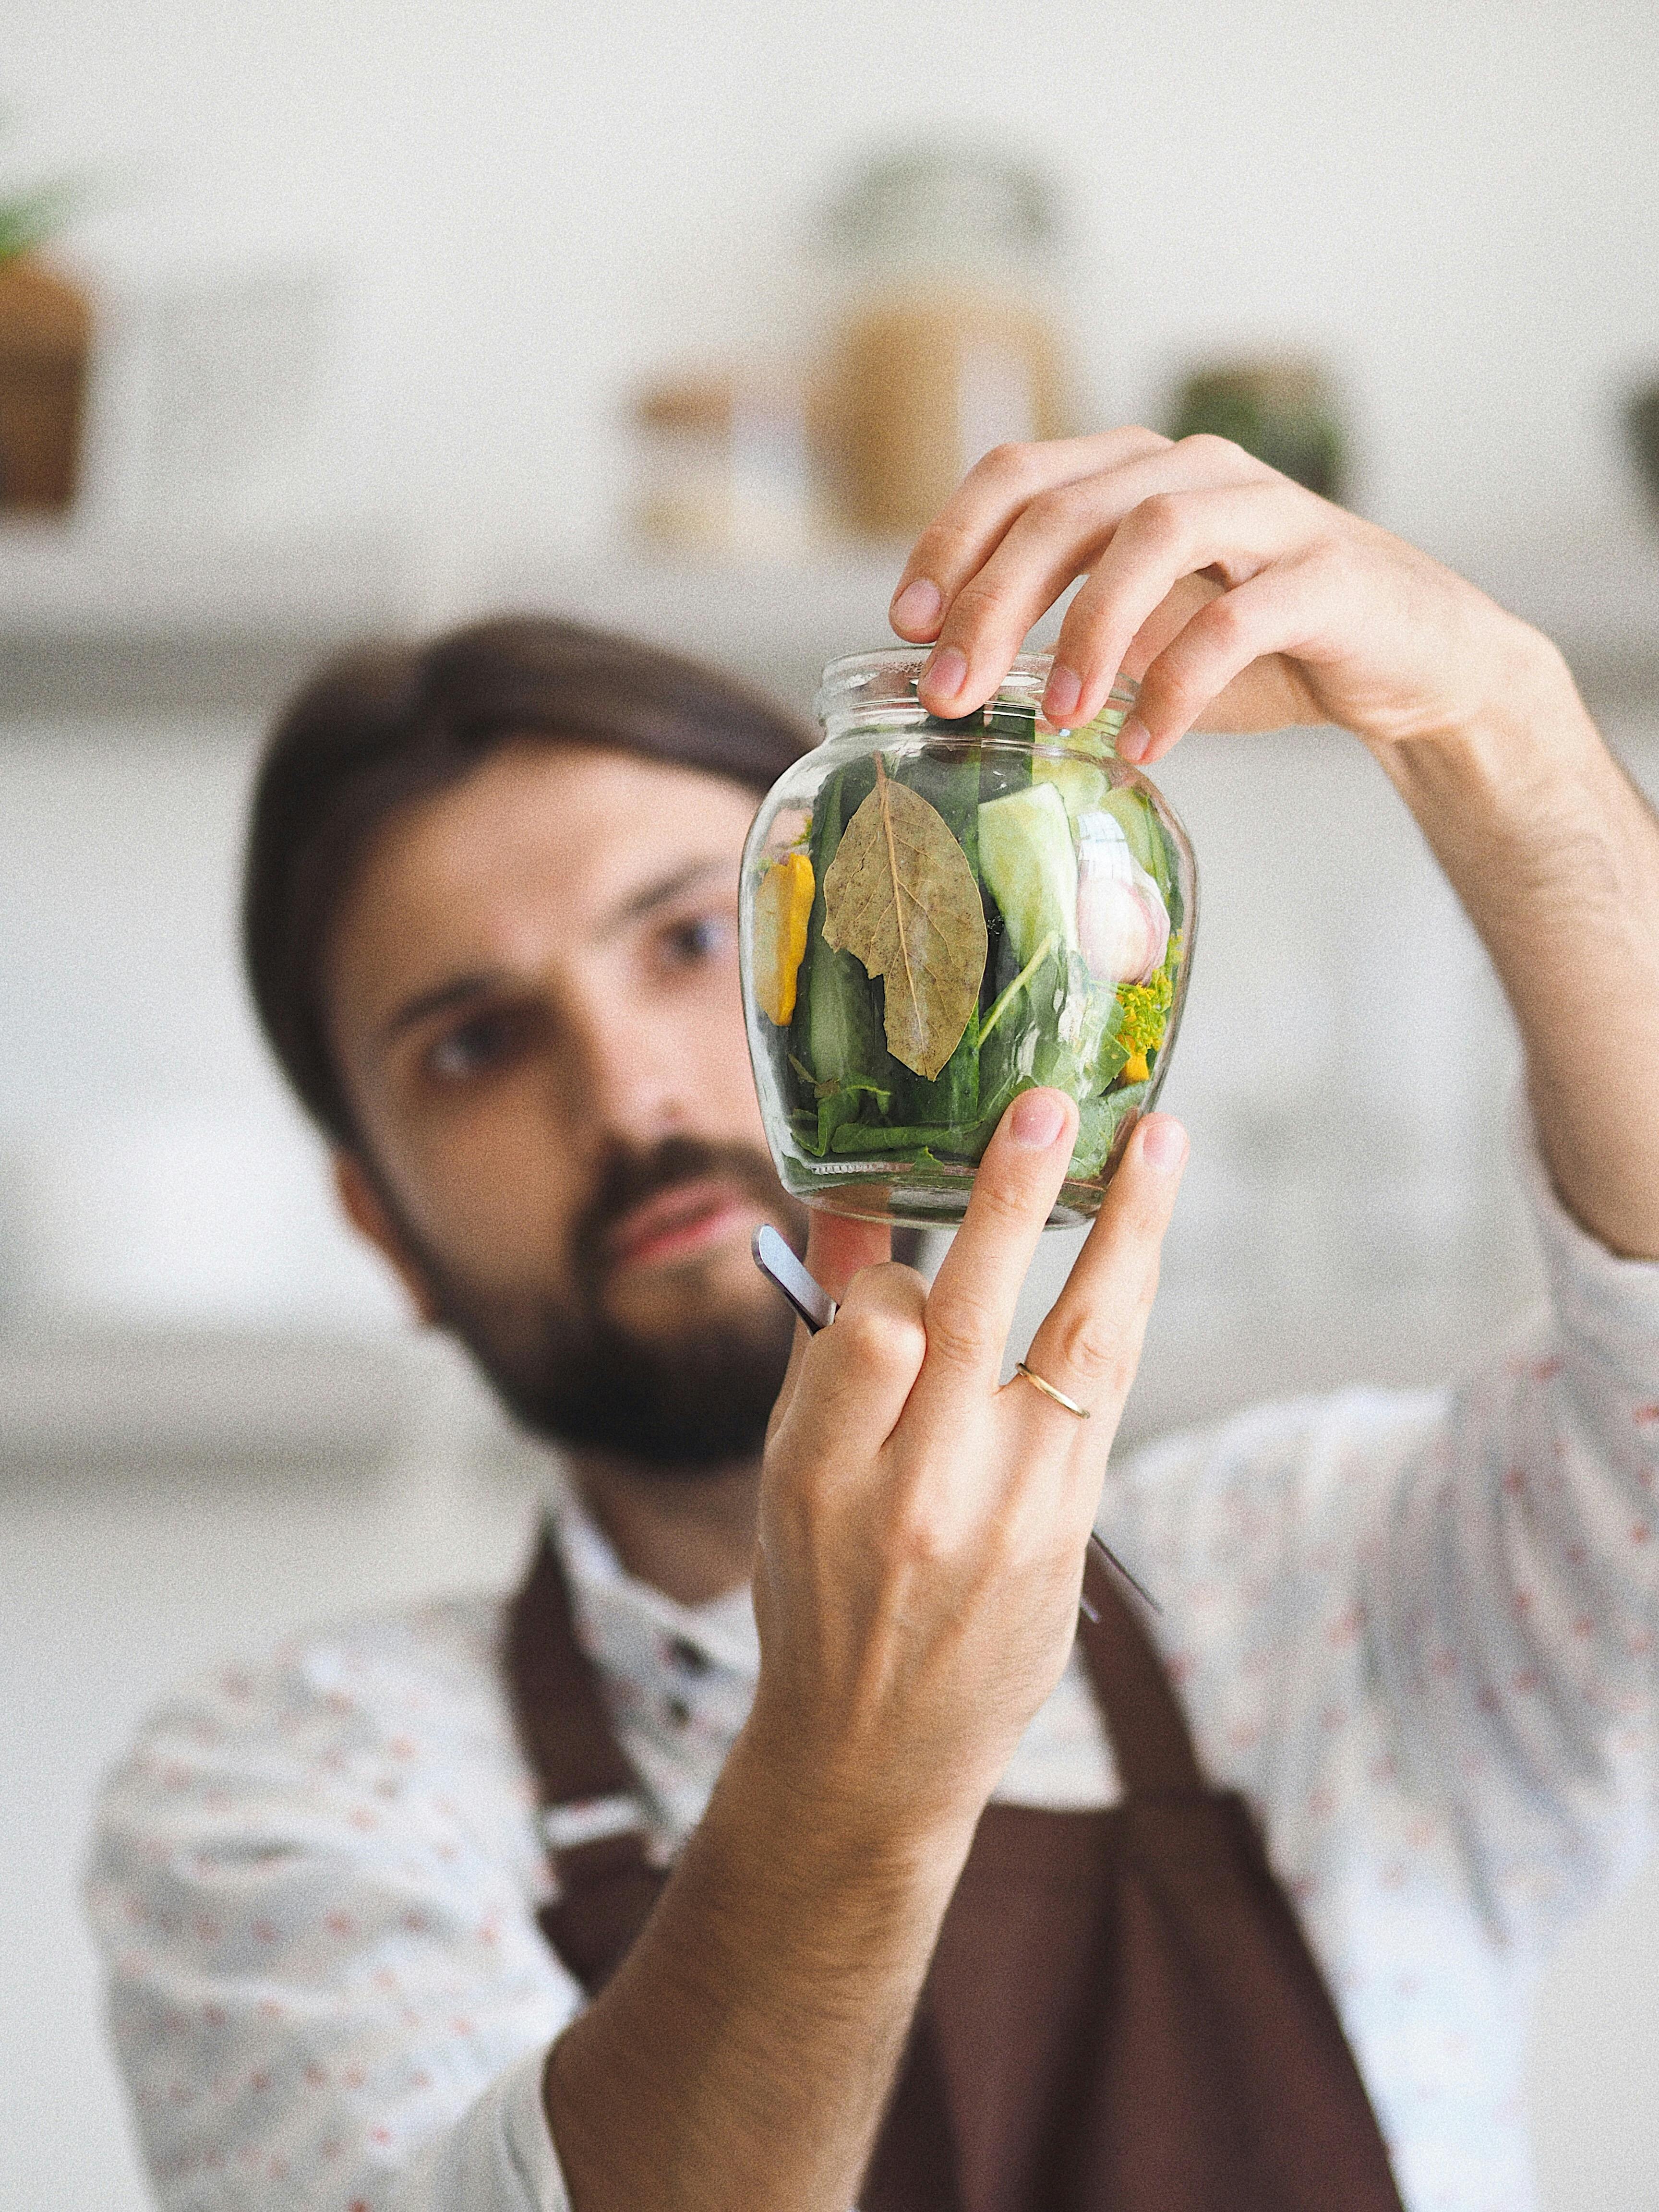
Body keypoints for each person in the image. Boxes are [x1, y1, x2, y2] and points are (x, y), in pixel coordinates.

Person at [87, 431, 1659, 2212]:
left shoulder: (1310, 1591)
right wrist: (856, 1780)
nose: (633, 1098)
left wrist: (1506, 737)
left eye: (690, 943)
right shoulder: (299, 1794)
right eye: (475, 1046)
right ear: (380, 1224)